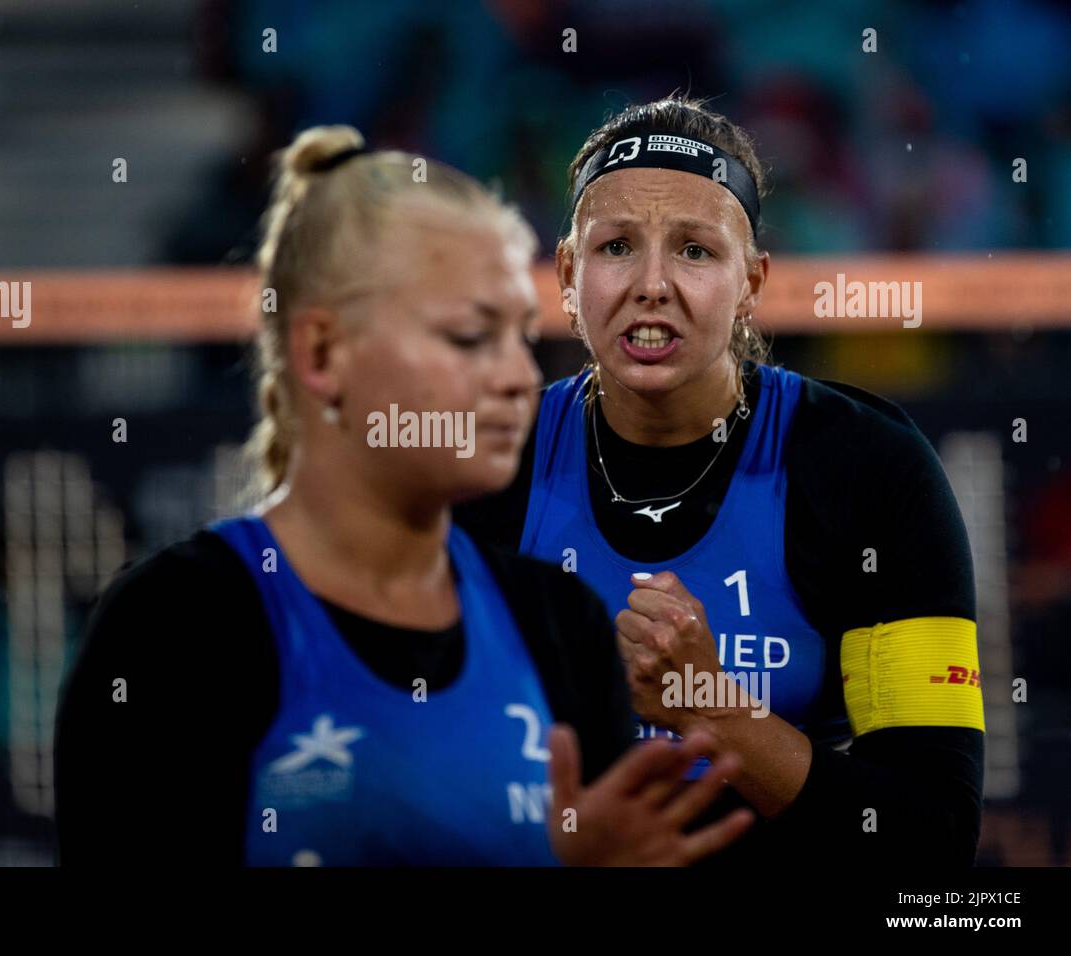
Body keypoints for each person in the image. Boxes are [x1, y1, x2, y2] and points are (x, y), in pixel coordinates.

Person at [53, 124, 753, 867]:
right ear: (322, 353)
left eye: (521, 335)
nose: (519, 377)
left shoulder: (560, 623)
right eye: (467, 337)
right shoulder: (175, 629)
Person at [455, 95, 985, 866]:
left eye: (696, 250)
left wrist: (711, 707)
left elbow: (930, 840)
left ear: (752, 284)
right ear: (567, 275)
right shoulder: (482, 470)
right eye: (616, 248)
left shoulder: (868, 469)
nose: (652, 284)